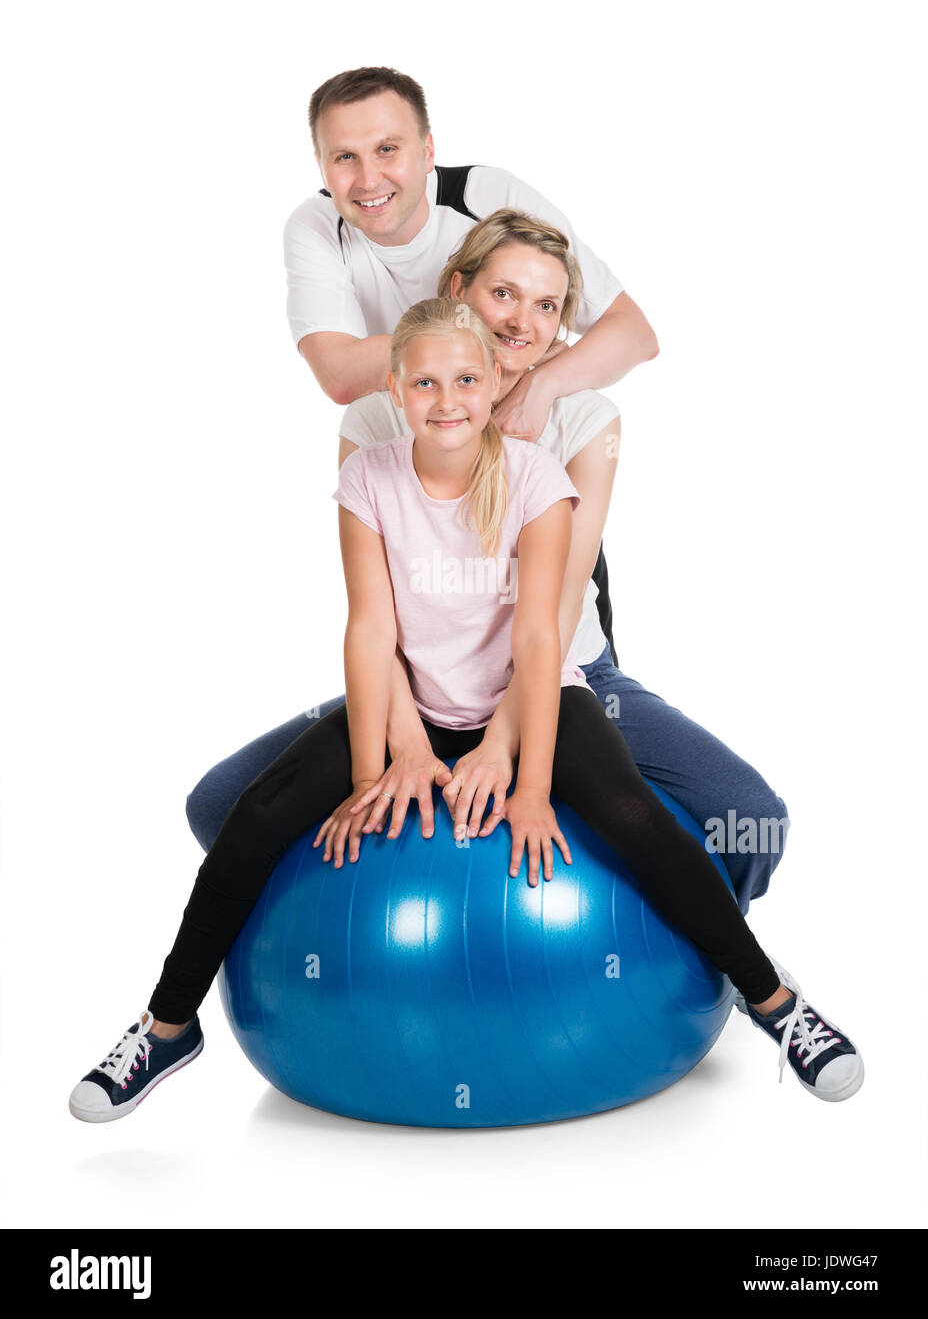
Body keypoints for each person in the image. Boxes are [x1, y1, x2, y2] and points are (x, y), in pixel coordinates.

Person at [68, 300, 863, 1124]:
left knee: (633, 813)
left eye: (467, 380)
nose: (446, 399)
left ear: (493, 387)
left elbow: (539, 639)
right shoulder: (366, 478)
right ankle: (166, 1027)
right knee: (256, 813)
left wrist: (524, 782)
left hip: (532, 696)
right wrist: (375, 770)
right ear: (395, 388)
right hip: (411, 705)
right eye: (425, 382)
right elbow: (371, 628)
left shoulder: (536, 480)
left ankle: (775, 1005)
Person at [194, 204, 788, 913]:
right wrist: (405, 741)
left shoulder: (586, 420)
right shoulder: (379, 419)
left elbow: (557, 613)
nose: (519, 321)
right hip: (415, 681)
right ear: (457, 289)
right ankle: (335, 949)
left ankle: (702, 954)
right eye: (502, 293)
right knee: (220, 806)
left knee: (752, 825)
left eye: (545, 306)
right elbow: (372, 620)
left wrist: (508, 743)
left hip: (560, 676)